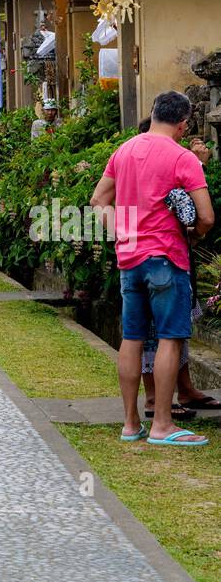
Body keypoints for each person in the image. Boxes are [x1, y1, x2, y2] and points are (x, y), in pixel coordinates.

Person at [90, 90, 215, 446]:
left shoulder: (124, 150)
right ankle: (162, 424)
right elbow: (206, 216)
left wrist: (122, 233)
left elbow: (99, 200)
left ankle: (131, 424)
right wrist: (194, 234)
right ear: (183, 123)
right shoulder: (183, 157)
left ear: (153, 113)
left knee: (131, 339)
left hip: (129, 258)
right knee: (170, 338)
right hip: (166, 257)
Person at [132, 118, 221, 421]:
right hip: (156, 255)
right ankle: (156, 398)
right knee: (156, 333)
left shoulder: (168, 160)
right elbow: (203, 216)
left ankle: (183, 389)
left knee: (175, 329)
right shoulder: (142, 163)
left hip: (164, 253)